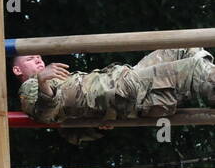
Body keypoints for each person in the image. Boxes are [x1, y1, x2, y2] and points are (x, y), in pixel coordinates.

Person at [12, 48, 215, 143]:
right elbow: (44, 115)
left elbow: (72, 131)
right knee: (193, 67)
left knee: (183, 48)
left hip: (126, 79)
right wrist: (42, 81)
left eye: (38, 57)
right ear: (17, 71)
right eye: (30, 59)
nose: (38, 60)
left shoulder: (52, 80)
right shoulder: (31, 86)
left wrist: (96, 124)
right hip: (124, 90)